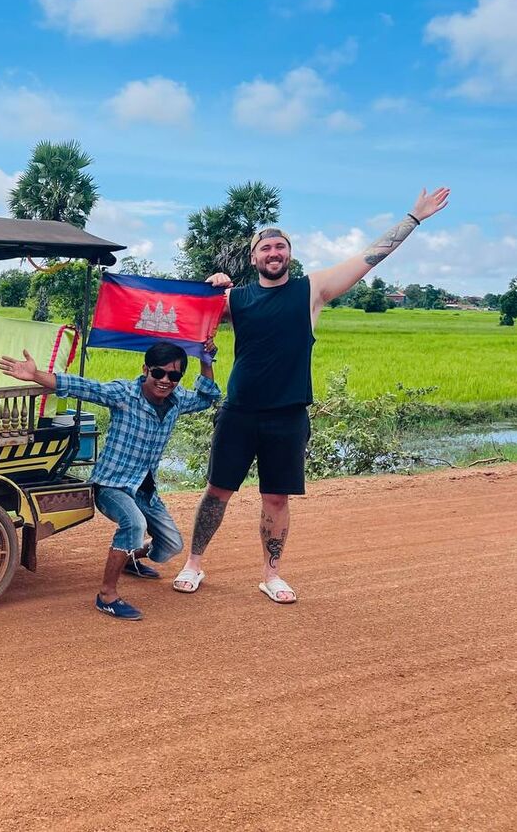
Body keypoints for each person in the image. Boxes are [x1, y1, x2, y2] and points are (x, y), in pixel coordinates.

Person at [173, 187, 451, 603]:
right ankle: (193, 563)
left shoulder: (312, 290)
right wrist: (211, 287)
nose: (273, 252)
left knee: (276, 496)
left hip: (288, 414)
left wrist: (413, 218)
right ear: (254, 258)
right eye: (265, 247)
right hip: (239, 411)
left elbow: (370, 257)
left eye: (280, 246)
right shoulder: (237, 298)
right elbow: (184, 312)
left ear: (289, 254)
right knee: (217, 490)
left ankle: (272, 574)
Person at [0, 340, 220, 620]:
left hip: (143, 488)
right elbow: (85, 387)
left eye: (174, 376)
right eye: (158, 373)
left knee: (171, 546)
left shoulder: (177, 401)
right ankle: (107, 596)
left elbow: (206, 397)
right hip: (110, 485)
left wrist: (206, 362)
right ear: (145, 370)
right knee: (135, 524)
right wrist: (36, 375)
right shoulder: (125, 394)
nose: (165, 381)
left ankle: (128, 558)